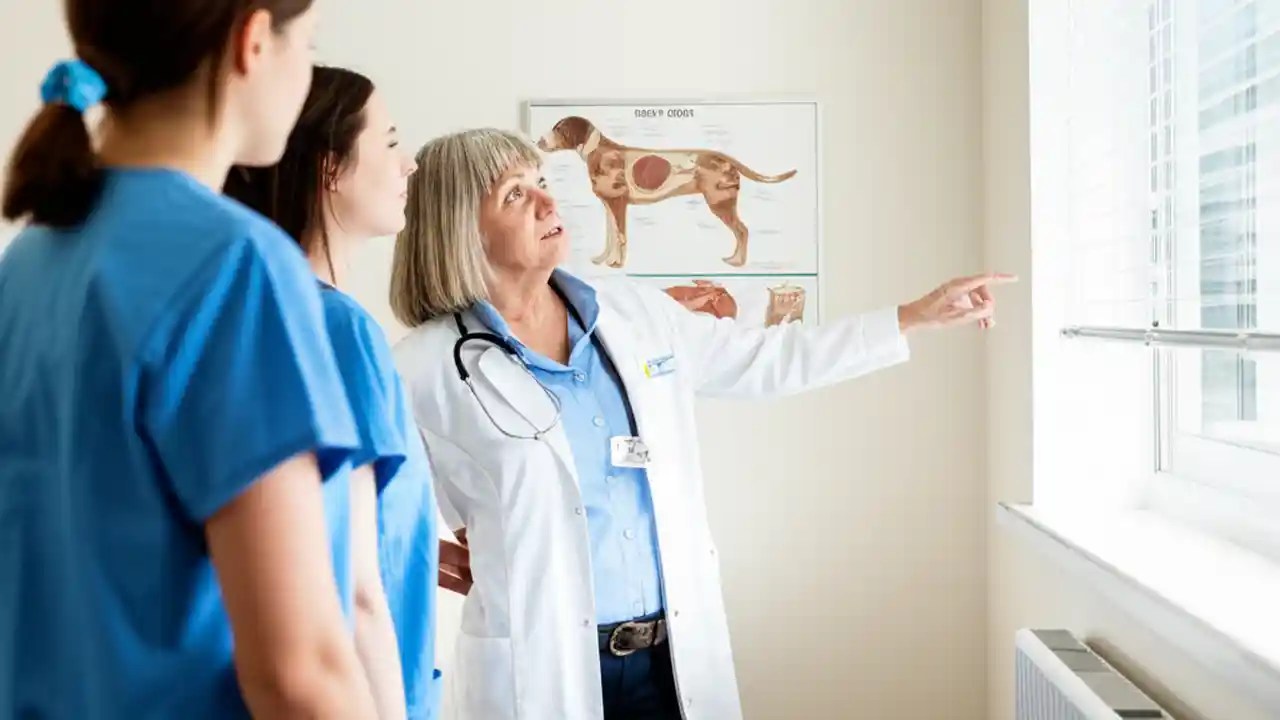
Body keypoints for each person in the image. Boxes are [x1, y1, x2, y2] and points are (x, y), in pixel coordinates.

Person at [389, 128, 1014, 720]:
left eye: (541, 178)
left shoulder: (631, 312)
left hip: (673, 659)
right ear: (460, 230)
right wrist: (417, 552)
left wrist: (908, 318)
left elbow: (766, 359)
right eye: (515, 194)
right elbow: (364, 504)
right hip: (540, 665)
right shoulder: (423, 367)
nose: (549, 200)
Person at [0, 2, 382, 718]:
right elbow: (297, 672)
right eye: (309, 41)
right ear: (252, 41)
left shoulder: (29, 259)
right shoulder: (233, 264)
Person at [224, 64, 453, 720]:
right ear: (331, 169)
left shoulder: (260, 311)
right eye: (389, 141)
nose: (409, 165)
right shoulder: (337, 330)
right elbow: (354, 594)